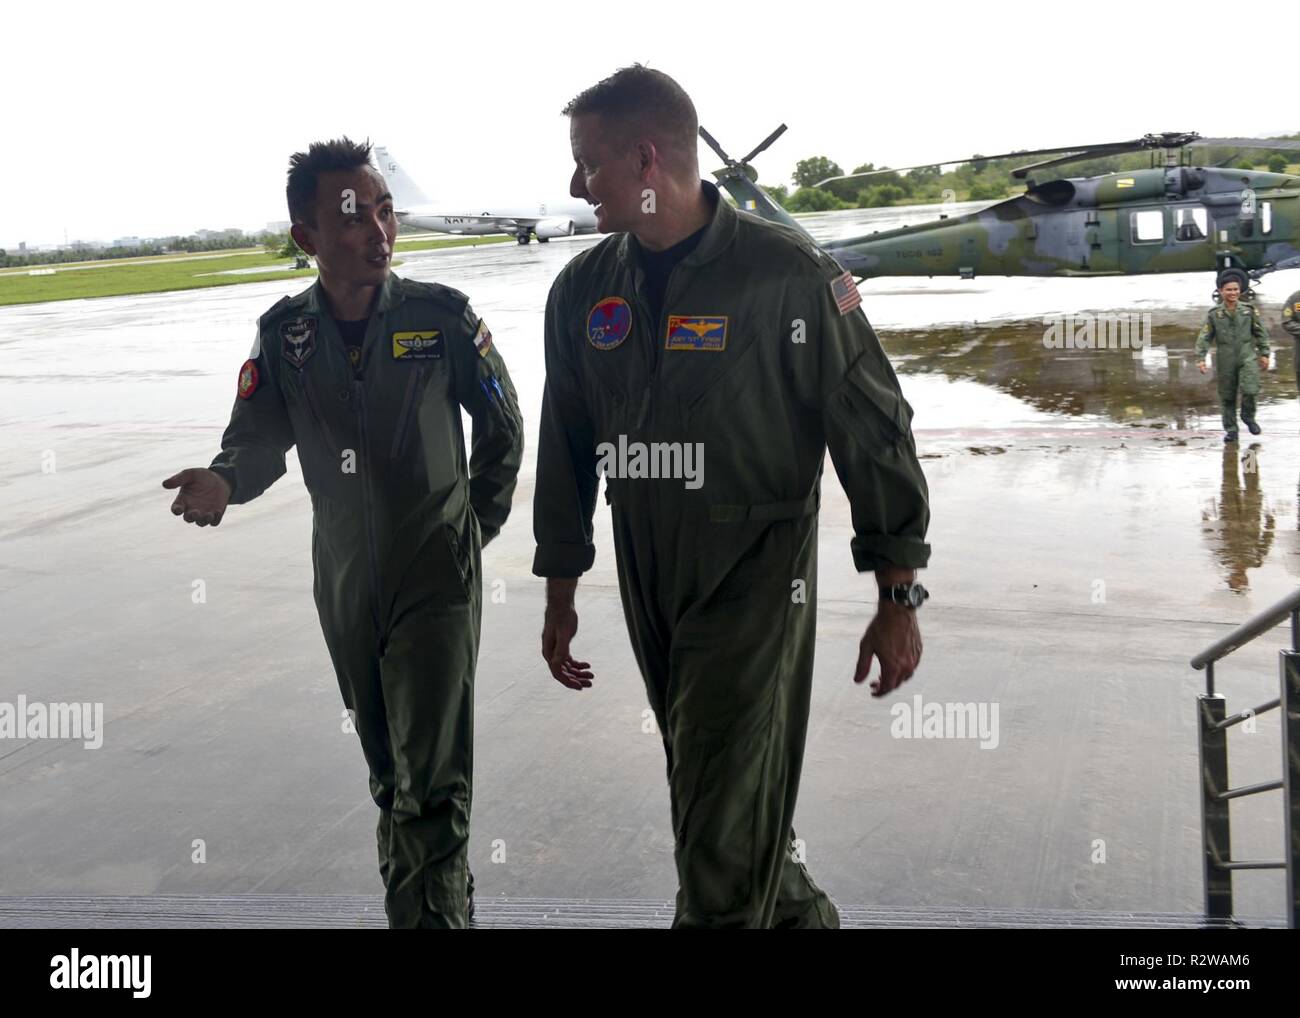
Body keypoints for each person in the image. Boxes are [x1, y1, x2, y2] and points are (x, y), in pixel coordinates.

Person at [533, 66, 932, 928]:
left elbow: (874, 433)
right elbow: (564, 448)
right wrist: (560, 588)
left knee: (714, 833)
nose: (574, 185)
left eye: (588, 164)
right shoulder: (583, 292)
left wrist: (897, 595)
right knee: (714, 793)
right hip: (649, 572)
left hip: (755, 573)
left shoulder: (785, 277)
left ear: (646, 160)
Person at [161, 137, 523, 928]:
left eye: (385, 210)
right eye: (355, 216)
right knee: (390, 773)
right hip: (345, 580)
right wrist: (225, 480)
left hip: (436, 576)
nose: (378, 231)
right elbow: (256, 439)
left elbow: (503, 429)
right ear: (308, 238)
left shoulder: (442, 318)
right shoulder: (285, 334)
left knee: (429, 780)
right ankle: (442, 901)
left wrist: (470, 532)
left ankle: (428, 918)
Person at [1196, 274, 1270, 442]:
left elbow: (1260, 332)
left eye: (1235, 289)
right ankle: (1231, 430)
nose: (1233, 293)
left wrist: (1264, 353)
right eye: (1228, 290)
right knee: (1227, 396)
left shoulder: (1248, 311)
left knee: (1250, 390)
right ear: (1221, 291)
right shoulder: (1214, 314)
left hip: (1246, 356)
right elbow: (1205, 336)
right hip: (1225, 359)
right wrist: (1201, 358)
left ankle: (1248, 416)